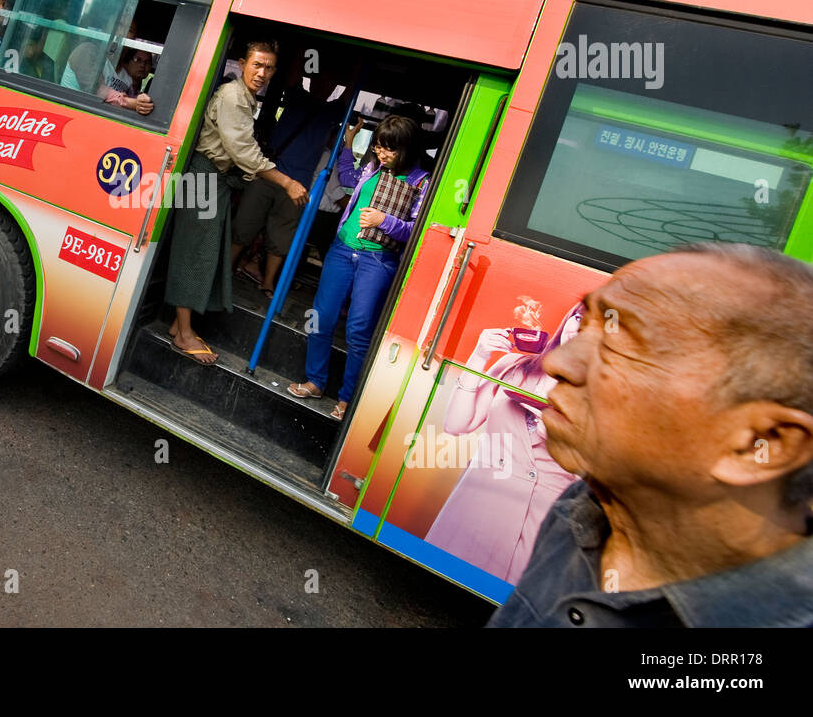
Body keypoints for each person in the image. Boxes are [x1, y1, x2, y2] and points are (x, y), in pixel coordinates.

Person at [489, 243, 813, 627]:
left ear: (763, 442)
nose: (556, 362)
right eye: (587, 322)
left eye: (620, 339)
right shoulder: (582, 511)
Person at [164, 40, 306, 364]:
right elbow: (243, 151)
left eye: (269, 68)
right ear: (243, 63)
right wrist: (287, 182)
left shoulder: (245, 97)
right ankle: (184, 335)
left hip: (216, 180)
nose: (262, 72)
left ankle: (178, 325)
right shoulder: (232, 96)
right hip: (204, 177)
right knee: (195, 254)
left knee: (205, 252)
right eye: (257, 64)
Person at [423, 302, 584, 584]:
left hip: (534, 519)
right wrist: (479, 355)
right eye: (577, 317)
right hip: (475, 502)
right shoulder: (517, 366)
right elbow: (456, 424)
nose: (579, 328)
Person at [288, 115, 428, 419]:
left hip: (378, 260)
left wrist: (384, 221)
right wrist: (349, 145)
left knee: (360, 329)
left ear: (407, 149)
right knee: (320, 317)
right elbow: (348, 178)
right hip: (342, 250)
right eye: (378, 147)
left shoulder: (421, 182)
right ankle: (315, 381)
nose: (382, 153)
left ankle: (348, 397)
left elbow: (417, 231)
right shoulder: (373, 168)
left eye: (389, 149)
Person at [232, 70, 347, 296]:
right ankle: (226, 270)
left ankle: (268, 282)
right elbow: (291, 74)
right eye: (319, 79)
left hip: (298, 184)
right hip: (268, 172)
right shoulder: (298, 96)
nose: (323, 84)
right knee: (243, 225)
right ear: (311, 79)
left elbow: (349, 93)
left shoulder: (332, 111)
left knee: (282, 235)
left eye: (329, 81)